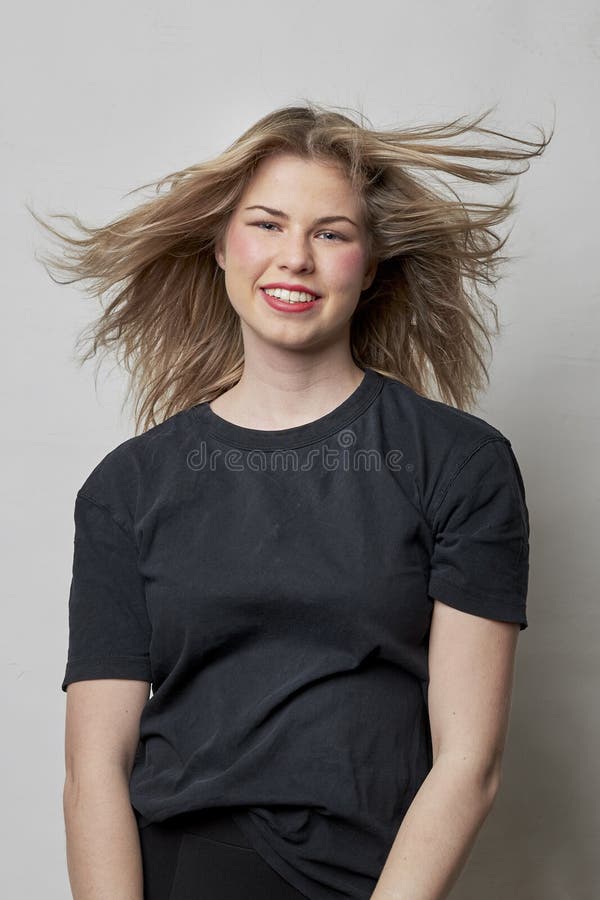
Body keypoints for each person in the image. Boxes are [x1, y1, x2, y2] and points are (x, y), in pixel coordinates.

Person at [35, 101, 551, 899]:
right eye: (268, 225)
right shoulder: (126, 487)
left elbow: (468, 764)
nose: (295, 259)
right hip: (181, 869)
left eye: (332, 233)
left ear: (370, 262)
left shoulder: (459, 464)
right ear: (221, 244)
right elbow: (92, 771)